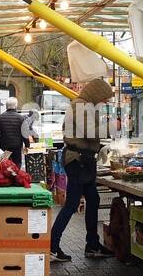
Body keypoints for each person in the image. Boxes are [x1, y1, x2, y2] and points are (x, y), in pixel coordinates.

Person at [50, 79, 116, 263]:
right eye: (104, 99)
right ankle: (52, 246)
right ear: (96, 94)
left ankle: (92, 245)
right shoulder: (80, 106)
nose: (105, 103)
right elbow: (89, 132)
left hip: (84, 160)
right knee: (71, 204)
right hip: (78, 160)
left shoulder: (84, 106)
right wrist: (112, 127)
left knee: (93, 199)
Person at [0, 97, 31, 167]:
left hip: (4, 146)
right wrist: (27, 145)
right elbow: (25, 134)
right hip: (17, 146)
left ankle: (7, 177)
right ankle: (15, 177)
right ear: (16, 106)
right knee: (16, 165)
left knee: (5, 164)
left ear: (6, 106)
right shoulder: (21, 118)